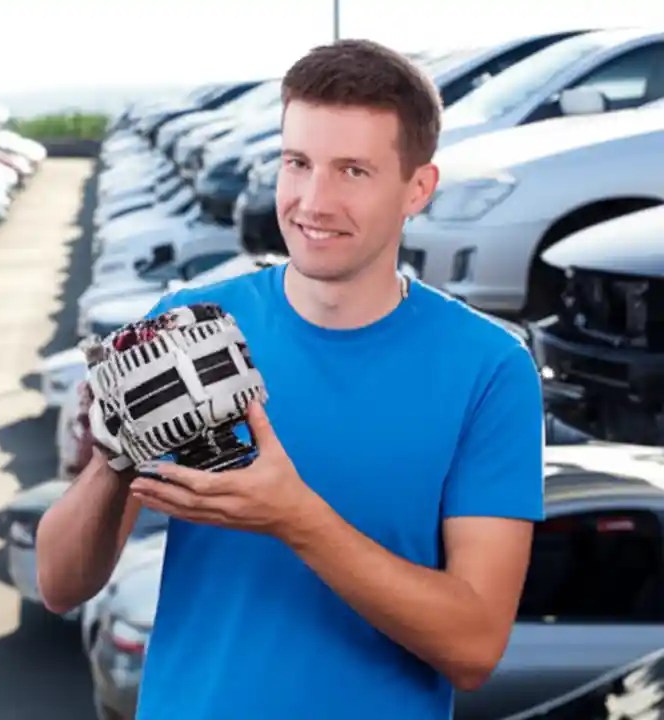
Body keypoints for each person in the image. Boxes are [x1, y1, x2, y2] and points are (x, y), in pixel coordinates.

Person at [35, 38, 545, 718]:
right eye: (297, 162)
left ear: (417, 188)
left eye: (353, 171)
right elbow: (61, 584)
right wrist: (114, 460)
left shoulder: (490, 370)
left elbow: (474, 646)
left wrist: (297, 519)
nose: (312, 200)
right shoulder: (190, 330)